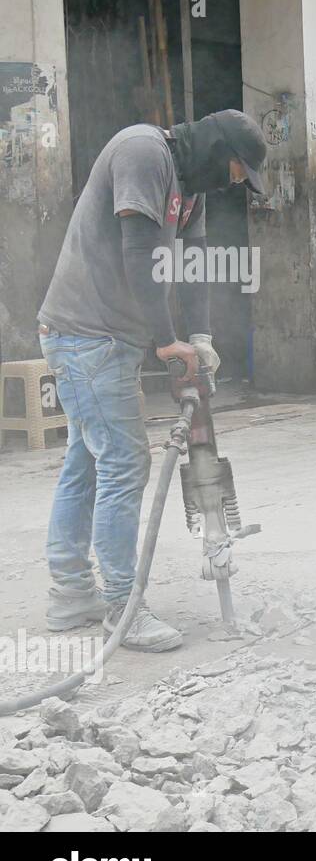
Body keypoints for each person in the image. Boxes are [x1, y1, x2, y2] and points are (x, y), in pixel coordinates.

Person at [38, 109, 267, 652]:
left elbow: (194, 261)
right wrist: (167, 343)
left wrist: (203, 337)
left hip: (108, 338)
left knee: (88, 459)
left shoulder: (191, 189)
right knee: (123, 461)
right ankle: (123, 605)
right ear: (215, 150)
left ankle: (71, 592)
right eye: (236, 170)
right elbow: (139, 253)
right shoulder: (143, 153)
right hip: (85, 335)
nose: (235, 182)